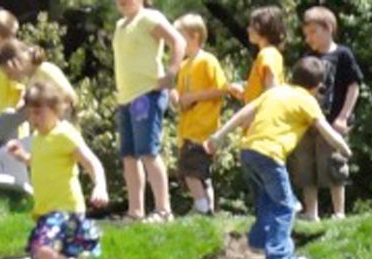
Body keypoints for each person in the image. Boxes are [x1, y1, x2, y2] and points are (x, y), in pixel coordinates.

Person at [208, 54, 350, 259]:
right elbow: (326, 130)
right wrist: (344, 148)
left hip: (248, 151)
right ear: (318, 86)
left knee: (267, 201)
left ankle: (257, 245)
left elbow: (245, 112)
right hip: (270, 156)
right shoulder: (307, 101)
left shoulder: (275, 91)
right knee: (286, 207)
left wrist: (219, 136)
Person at [3, 79, 111, 259]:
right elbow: (39, 162)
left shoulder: (64, 134)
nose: (34, 118)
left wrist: (100, 185)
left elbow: (92, 163)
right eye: (30, 113)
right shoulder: (40, 138)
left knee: (43, 250)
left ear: (55, 109)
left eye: (39, 112)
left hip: (65, 210)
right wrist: (22, 157)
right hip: (44, 212)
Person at [112, 0, 188, 222]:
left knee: (147, 151)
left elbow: (178, 41)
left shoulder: (149, 18)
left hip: (146, 94)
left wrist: (171, 73)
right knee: (128, 156)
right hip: (125, 97)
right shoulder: (120, 25)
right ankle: (135, 211)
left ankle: (163, 210)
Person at [292, 7, 364, 222]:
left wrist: (343, 116)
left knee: (334, 164)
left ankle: (339, 212)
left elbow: (354, 86)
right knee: (306, 165)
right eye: (306, 34)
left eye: (313, 32)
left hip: (333, 123)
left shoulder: (343, 54)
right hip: (309, 123)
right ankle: (311, 213)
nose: (308, 38)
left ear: (328, 29)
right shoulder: (308, 58)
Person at [172, 13, 232, 216]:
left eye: (179, 36)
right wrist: (176, 97)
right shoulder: (183, 65)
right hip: (187, 129)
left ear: (195, 36)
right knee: (196, 172)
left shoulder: (207, 60)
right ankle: (207, 208)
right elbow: (182, 98)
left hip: (203, 128)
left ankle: (201, 207)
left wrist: (194, 96)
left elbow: (223, 88)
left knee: (191, 171)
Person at [0, 9, 27, 184]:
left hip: (11, 132)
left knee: (14, 178)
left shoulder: (9, 62)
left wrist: (14, 116)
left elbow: (21, 90)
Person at [0, 40, 77, 119]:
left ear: (16, 63)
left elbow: (70, 97)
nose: (10, 78)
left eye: (9, 73)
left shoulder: (45, 70)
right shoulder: (28, 81)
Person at [231, 6, 285, 105]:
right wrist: (244, 93)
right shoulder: (273, 54)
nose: (248, 30)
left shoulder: (267, 54)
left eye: (252, 26)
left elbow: (272, 90)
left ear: (262, 28)